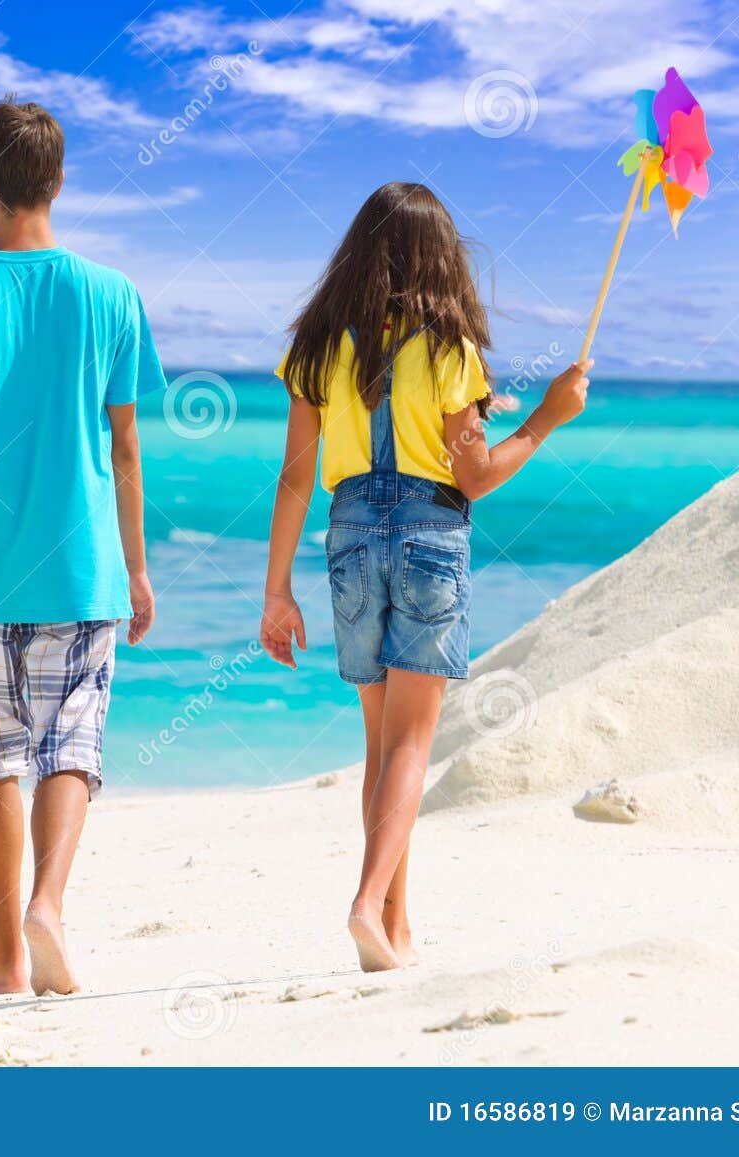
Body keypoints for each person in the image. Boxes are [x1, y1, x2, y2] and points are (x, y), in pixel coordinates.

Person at [259, 182, 591, 972]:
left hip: (349, 536)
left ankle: (396, 929)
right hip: (430, 535)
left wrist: (276, 591)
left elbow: (294, 479)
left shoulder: (317, 344)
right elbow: (474, 476)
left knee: (380, 747)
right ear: (442, 260)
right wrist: (547, 417)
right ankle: (369, 903)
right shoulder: (451, 348)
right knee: (414, 741)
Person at [0, 98, 165, 997]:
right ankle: (49, 902)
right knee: (72, 749)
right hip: (84, 568)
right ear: (56, 182)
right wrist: (137, 565)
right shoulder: (113, 294)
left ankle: (8, 956)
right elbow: (124, 448)